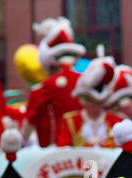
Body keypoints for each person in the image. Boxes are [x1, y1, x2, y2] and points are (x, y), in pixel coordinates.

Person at [23, 18, 85, 148]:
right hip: (85, 147)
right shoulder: (85, 79)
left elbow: (32, 118)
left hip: (56, 151)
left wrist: (22, 142)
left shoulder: (48, 85)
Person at [56, 56, 124, 148]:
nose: (95, 108)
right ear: (84, 102)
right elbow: (62, 150)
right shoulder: (72, 122)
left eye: (98, 104)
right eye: (91, 103)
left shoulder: (116, 122)